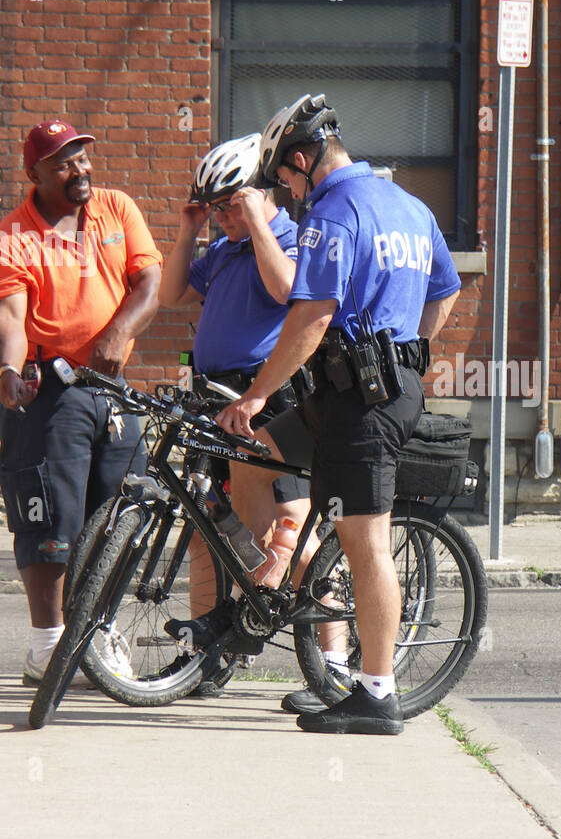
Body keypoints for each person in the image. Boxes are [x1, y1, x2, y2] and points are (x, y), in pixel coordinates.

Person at [214, 93, 461, 735]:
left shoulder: (335, 211)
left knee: (364, 539)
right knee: (251, 463)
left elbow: (311, 315)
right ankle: (274, 578)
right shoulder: (409, 206)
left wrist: (256, 395)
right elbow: (447, 289)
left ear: (302, 159)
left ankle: (376, 694)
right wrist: (409, 352)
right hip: (354, 392)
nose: (287, 193)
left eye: (285, 179)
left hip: (364, 404)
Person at [157, 133, 343, 679]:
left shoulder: (287, 237)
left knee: (292, 532)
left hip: (266, 398)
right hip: (214, 400)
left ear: (261, 194)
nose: (221, 219)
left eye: (227, 206)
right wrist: (191, 228)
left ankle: (331, 660)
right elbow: (170, 296)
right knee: (207, 527)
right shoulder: (219, 251)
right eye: (214, 209)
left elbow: (288, 290)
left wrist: (257, 217)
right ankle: (209, 656)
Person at [0, 120, 162, 685]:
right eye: (65, 162)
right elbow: (13, 319)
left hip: (113, 390)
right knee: (50, 518)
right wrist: (7, 368)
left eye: (84, 158)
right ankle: (47, 646)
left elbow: (149, 284)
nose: (81, 170)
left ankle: (99, 635)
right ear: (36, 173)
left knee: (120, 515)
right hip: (51, 387)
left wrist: (118, 335)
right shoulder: (14, 234)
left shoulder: (117, 209)